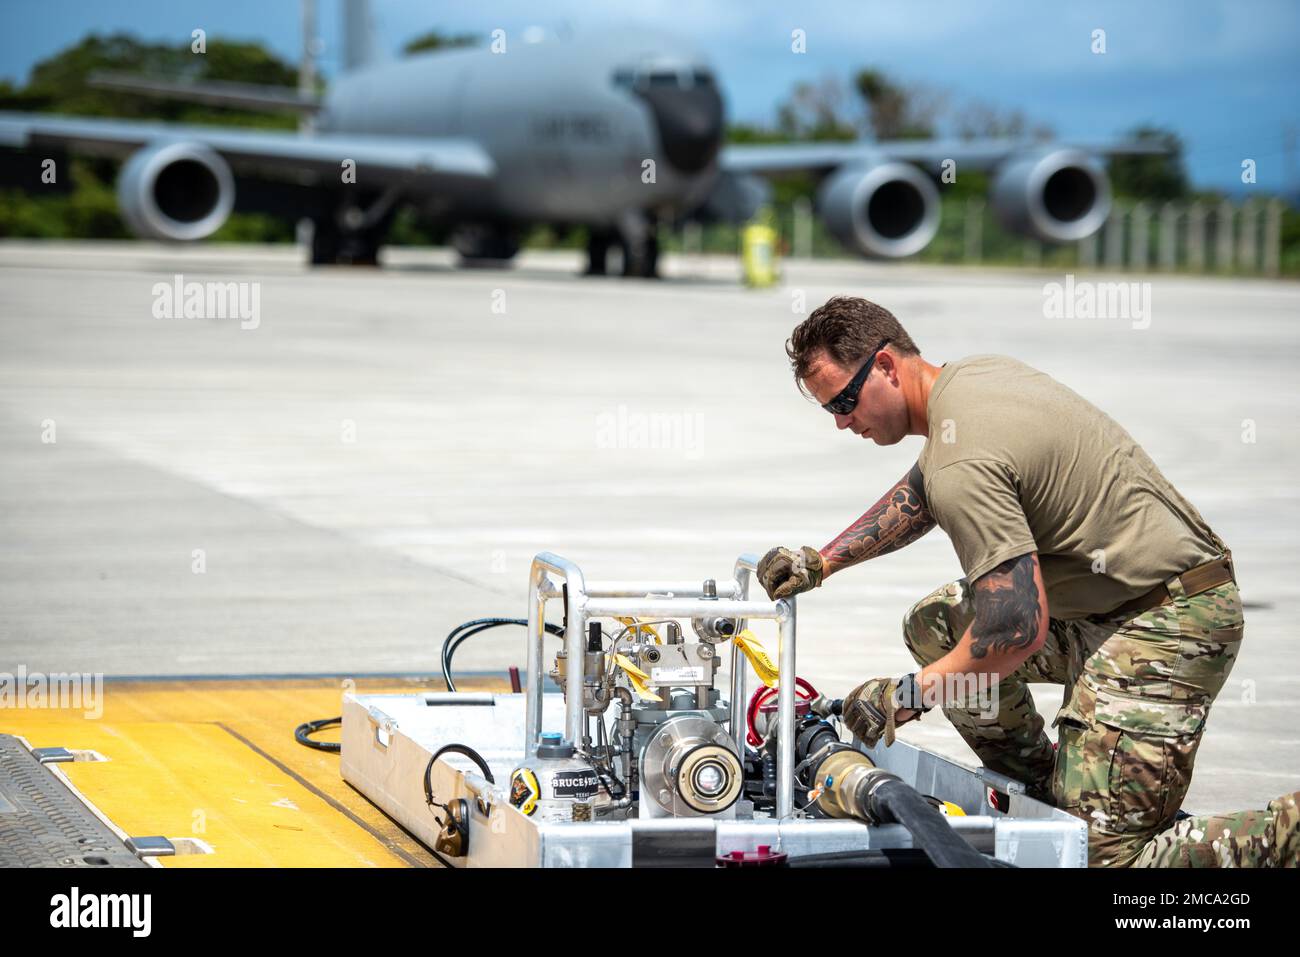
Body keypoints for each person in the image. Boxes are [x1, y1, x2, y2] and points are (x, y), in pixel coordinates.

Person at [757, 295, 1298, 867]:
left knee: (1097, 858)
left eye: (845, 400)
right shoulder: (972, 382)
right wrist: (825, 561)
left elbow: (1014, 628)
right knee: (936, 624)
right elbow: (920, 493)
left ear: (887, 366)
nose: (843, 422)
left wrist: (905, 696)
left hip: (1167, 625)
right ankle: (1047, 792)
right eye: (830, 410)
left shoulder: (961, 463)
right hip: (1107, 607)